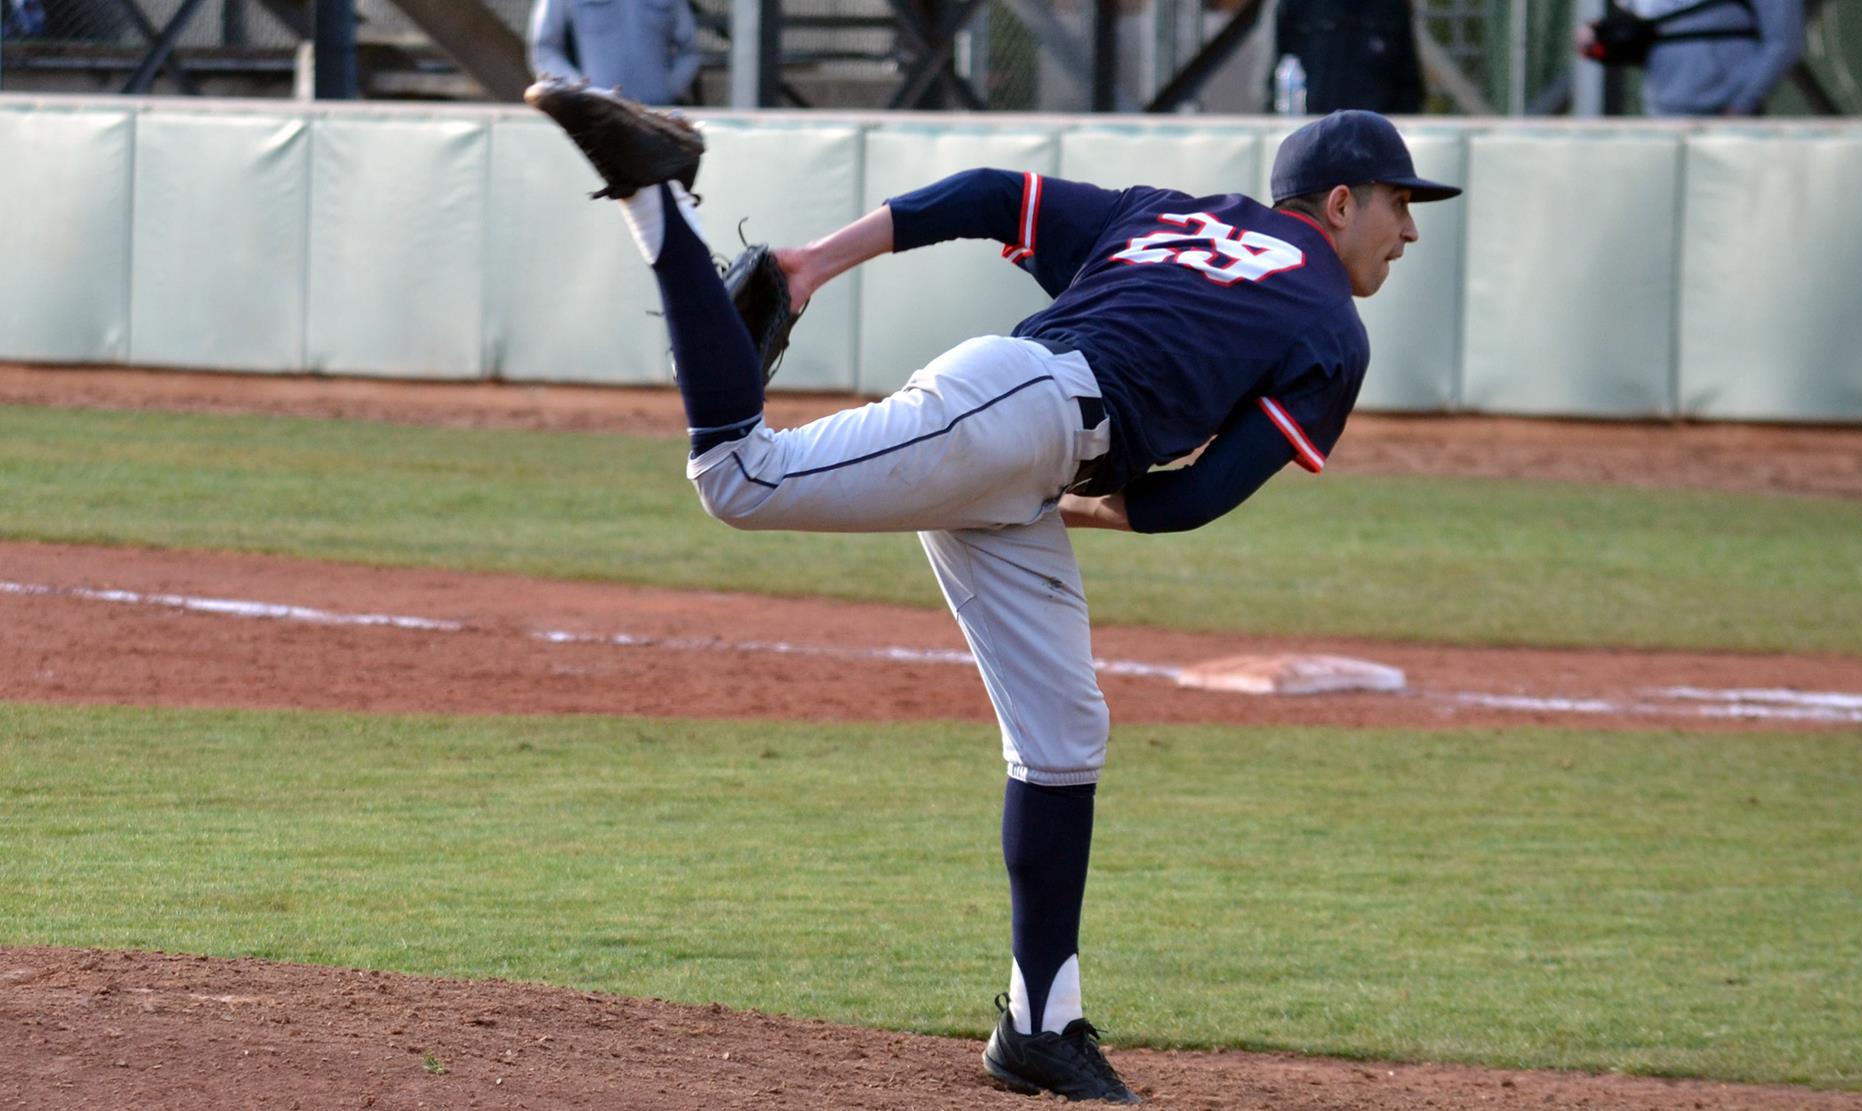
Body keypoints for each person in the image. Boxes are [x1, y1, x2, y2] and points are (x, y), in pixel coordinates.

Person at [524, 76, 1460, 1103]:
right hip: (1028, 417)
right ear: (1338, 203)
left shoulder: (1167, 215)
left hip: (1023, 435)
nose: (1406, 231)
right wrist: (1087, 502)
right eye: (1397, 202)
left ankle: (1037, 1024)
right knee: (738, 479)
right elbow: (1197, 498)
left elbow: (985, 194)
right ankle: (652, 195)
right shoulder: (1331, 325)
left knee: (1063, 736)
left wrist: (814, 264)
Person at [1582, 0, 1805, 116]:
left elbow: (1784, 43)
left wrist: (1741, 105)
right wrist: (1596, 35)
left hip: (1726, 117)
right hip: (1661, 113)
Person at [528, 0, 702, 107]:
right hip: (596, 122)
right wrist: (578, 90)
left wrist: (669, 88)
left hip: (656, 121)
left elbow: (690, 51)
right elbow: (544, 50)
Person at [1275, 0, 1426, 115]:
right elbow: (1281, 74)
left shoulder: (1391, 7)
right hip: (1314, 135)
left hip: (1373, 138)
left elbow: (1409, 84)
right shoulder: (1298, 6)